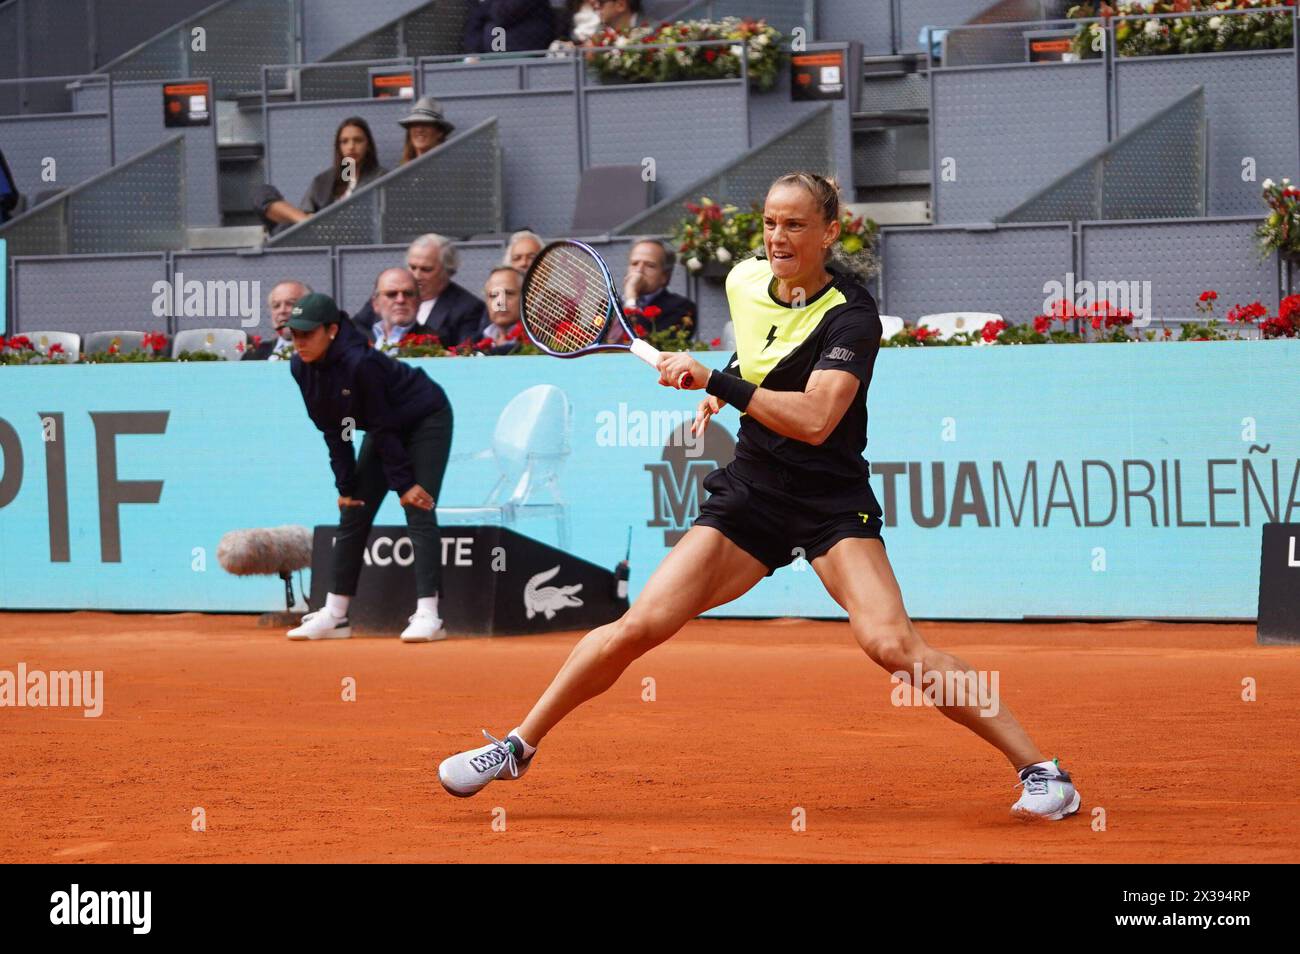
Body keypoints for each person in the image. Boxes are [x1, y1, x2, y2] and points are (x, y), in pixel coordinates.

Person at [436, 172, 1082, 821]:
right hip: (753, 492)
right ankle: (518, 746)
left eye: (796, 224)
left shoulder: (850, 317)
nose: (779, 236)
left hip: (831, 501)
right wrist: (729, 383)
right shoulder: (746, 283)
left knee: (893, 646)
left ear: (830, 232)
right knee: (639, 626)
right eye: (771, 222)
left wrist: (716, 377)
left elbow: (815, 418)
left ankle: (1042, 770)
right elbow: (765, 359)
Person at [285, 293, 454, 643]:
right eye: (294, 334)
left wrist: (404, 484)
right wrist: (346, 488)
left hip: (425, 417)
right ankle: (335, 615)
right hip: (386, 427)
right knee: (354, 508)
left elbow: (381, 424)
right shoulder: (300, 366)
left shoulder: (360, 363)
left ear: (331, 330)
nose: (299, 342)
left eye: (307, 334)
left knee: (417, 505)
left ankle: (429, 615)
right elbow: (334, 429)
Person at [350, 235, 487, 350]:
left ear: (448, 271)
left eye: (426, 269)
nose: (416, 276)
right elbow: (356, 327)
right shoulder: (386, 295)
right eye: (412, 267)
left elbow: (465, 352)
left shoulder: (468, 308)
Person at [255, 117, 388, 231]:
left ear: (368, 145)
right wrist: (309, 220)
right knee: (262, 192)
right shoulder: (324, 180)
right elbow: (306, 211)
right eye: (344, 141)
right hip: (315, 233)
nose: (351, 146)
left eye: (358, 140)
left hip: (354, 235)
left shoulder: (381, 178)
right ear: (339, 147)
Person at [619, 238, 697, 340]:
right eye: (634, 264)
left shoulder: (682, 307)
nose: (639, 270)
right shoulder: (609, 305)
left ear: (665, 276)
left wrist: (631, 298)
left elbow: (652, 347)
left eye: (650, 266)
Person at [242, 280, 309, 360]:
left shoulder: (324, 353)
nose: (282, 310)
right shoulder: (253, 355)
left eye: (290, 304)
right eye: (276, 306)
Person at [463, 0, 556, 55]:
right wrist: (474, 53)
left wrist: (485, 3)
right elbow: (475, 21)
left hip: (525, 55)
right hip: (489, 57)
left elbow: (501, 14)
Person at [369, 268, 421, 348]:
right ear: (376, 303)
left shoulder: (437, 341)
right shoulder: (358, 341)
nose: (401, 300)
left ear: (419, 301)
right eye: (391, 294)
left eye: (408, 293)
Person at [478, 266, 525, 352]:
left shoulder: (541, 341)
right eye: (493, 295)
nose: (500, 302)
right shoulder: (476, 341)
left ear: (527, 298)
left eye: (509, 293)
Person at [399, 96, 455, 165]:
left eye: (426, 124)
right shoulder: (402, 169)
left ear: (440, 132)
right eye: (415, 124)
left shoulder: (448, 168)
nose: (419, 129)